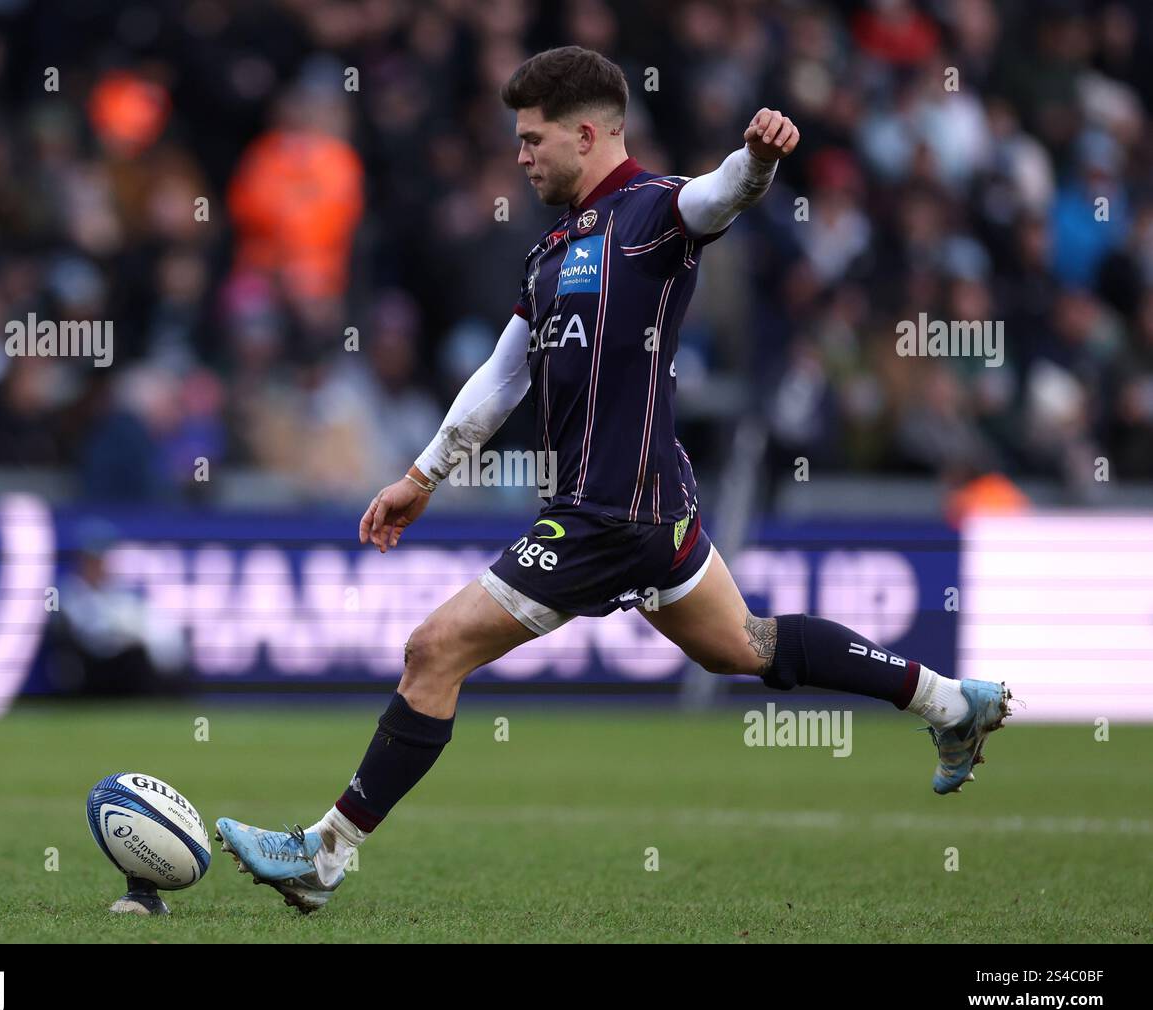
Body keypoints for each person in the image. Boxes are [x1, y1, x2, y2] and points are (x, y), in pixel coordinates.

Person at [215, 46, 1011, 914]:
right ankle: (948, 702)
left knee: (432, 651)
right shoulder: (551, 249)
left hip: (609, 512)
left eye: (533, 139)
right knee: (745, 645)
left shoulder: (653, 212)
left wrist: (758, 160)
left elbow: (720, 195)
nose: (521, 155)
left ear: (587, 135)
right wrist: (422, 475)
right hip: (652, 507)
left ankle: (324, 856)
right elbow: (502, 376)